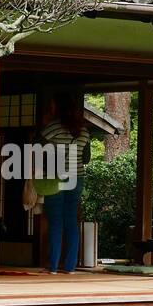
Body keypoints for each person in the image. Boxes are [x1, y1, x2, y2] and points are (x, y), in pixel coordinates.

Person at [39, 92, 91, 274]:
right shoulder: (83, 130)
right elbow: (86, 158)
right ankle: (70, 266)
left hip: (56, 177)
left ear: (57, 108)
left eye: (52, 105)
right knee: (71, 221)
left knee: (55, 221)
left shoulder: (52, 127)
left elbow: (36, 148)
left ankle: (52, 266)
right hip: (77, 178)